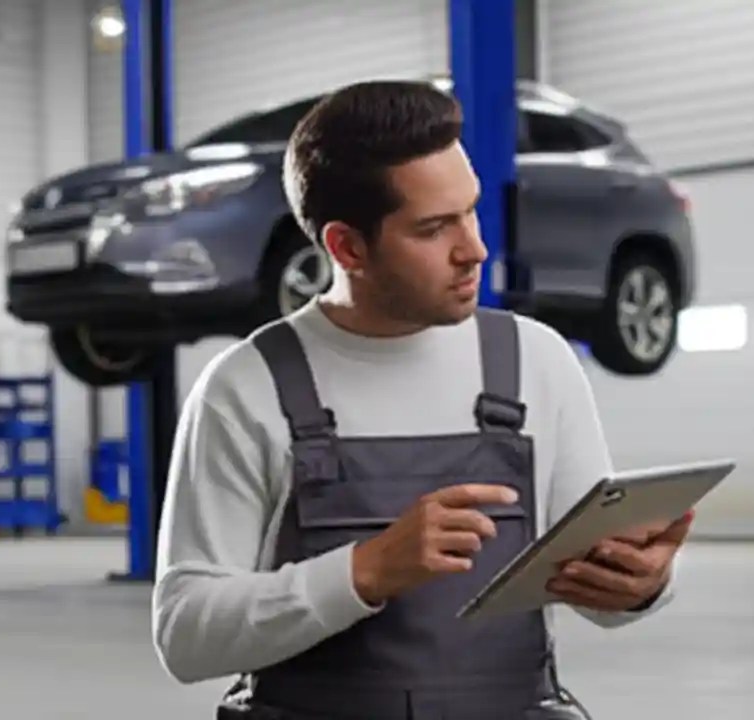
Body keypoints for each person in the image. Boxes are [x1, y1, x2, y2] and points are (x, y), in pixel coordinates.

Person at [151, 80, 692, 720]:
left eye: (471, 211)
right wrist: (366, 571)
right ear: (346, 247)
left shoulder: (536, 362)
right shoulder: (247, 387)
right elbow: (185, 635)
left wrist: (640, 584)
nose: (475, 250)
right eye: (434, 229)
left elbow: (591, 591)